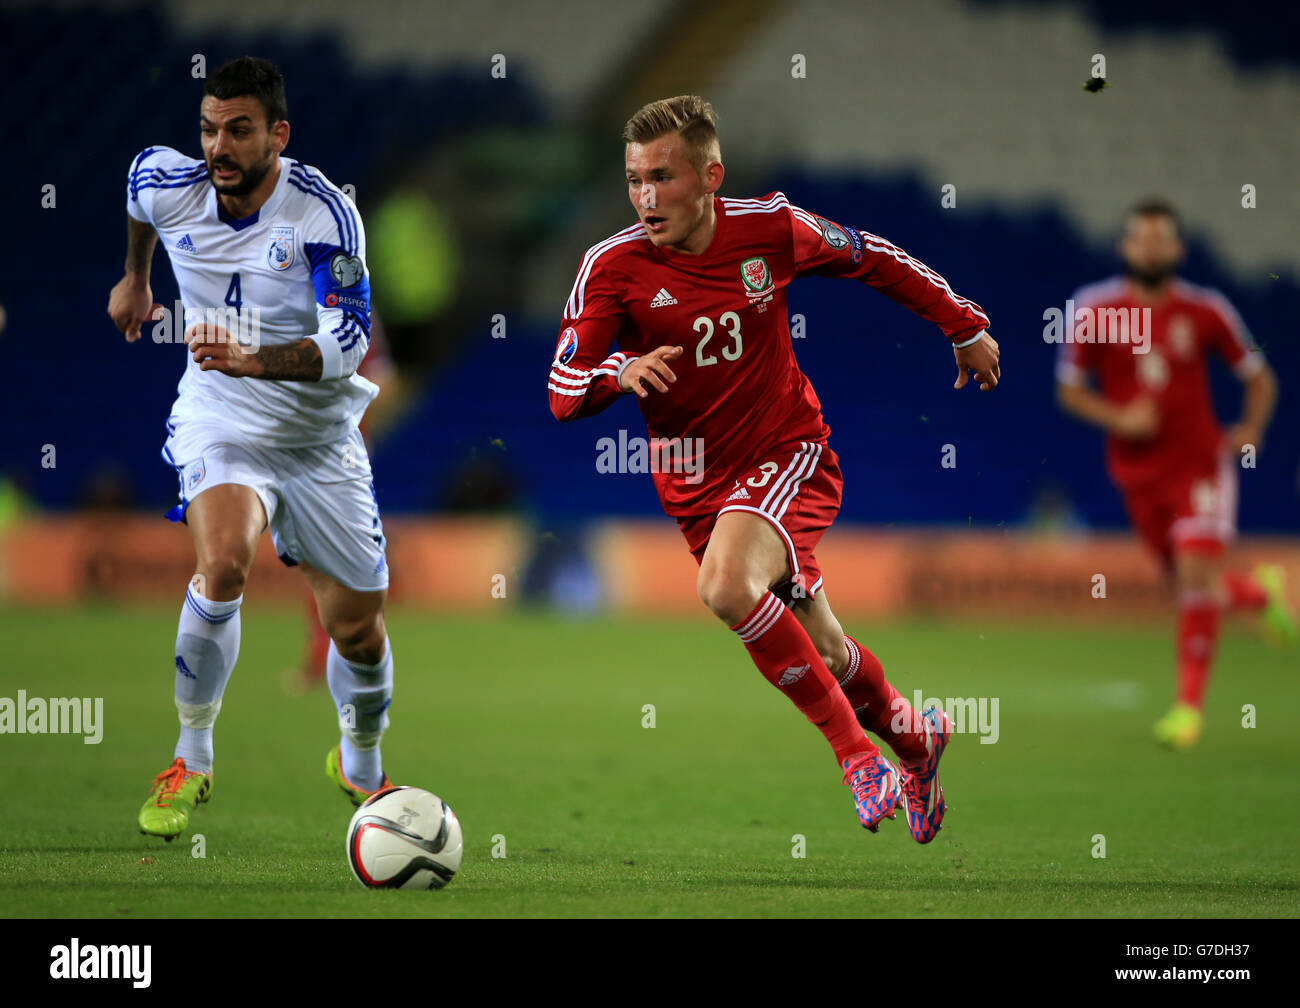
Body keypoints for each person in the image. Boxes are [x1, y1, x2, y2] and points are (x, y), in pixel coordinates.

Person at [548, 95, 999, 840]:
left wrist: (962, 323)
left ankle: (857, 757)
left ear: (710, 175)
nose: (645, 197)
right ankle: (915, 742)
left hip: (785, 452)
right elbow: (562, 390)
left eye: (662, 176)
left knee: (725, 586)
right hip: (696, 486)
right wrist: (618, 371)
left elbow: (871, 256)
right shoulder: (612, 268)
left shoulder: (771, 229)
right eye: (634, 180)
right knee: (824, 650)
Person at [107, 56, 397, 840]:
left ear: (278, 134)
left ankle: (360, 762)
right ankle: (191, 758)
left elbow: (349, 334)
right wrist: (136, 278)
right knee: (224, 560)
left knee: (359, 632)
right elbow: (138, 183)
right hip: (222, 415)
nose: (218, 147)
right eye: (208, 129)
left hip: (318, 436)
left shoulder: (323, 215)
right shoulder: (174, 187)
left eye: (238, 130)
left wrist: (257, 358)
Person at [1056, 197, 1292, 750]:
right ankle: (1259, 595)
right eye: (1142, 237)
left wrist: (1251, 429)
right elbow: (1068, 392)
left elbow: (1261, 378)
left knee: (1192, 576)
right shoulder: (1092, 308)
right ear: (1125, 246)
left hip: (1199, 465)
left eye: (1162, 238)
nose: (1152, 247)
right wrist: (1121, 417)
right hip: (1137, 475)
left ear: (1179, 249)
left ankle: (1187, 709)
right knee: (1191, 584)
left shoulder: (1208, 310)